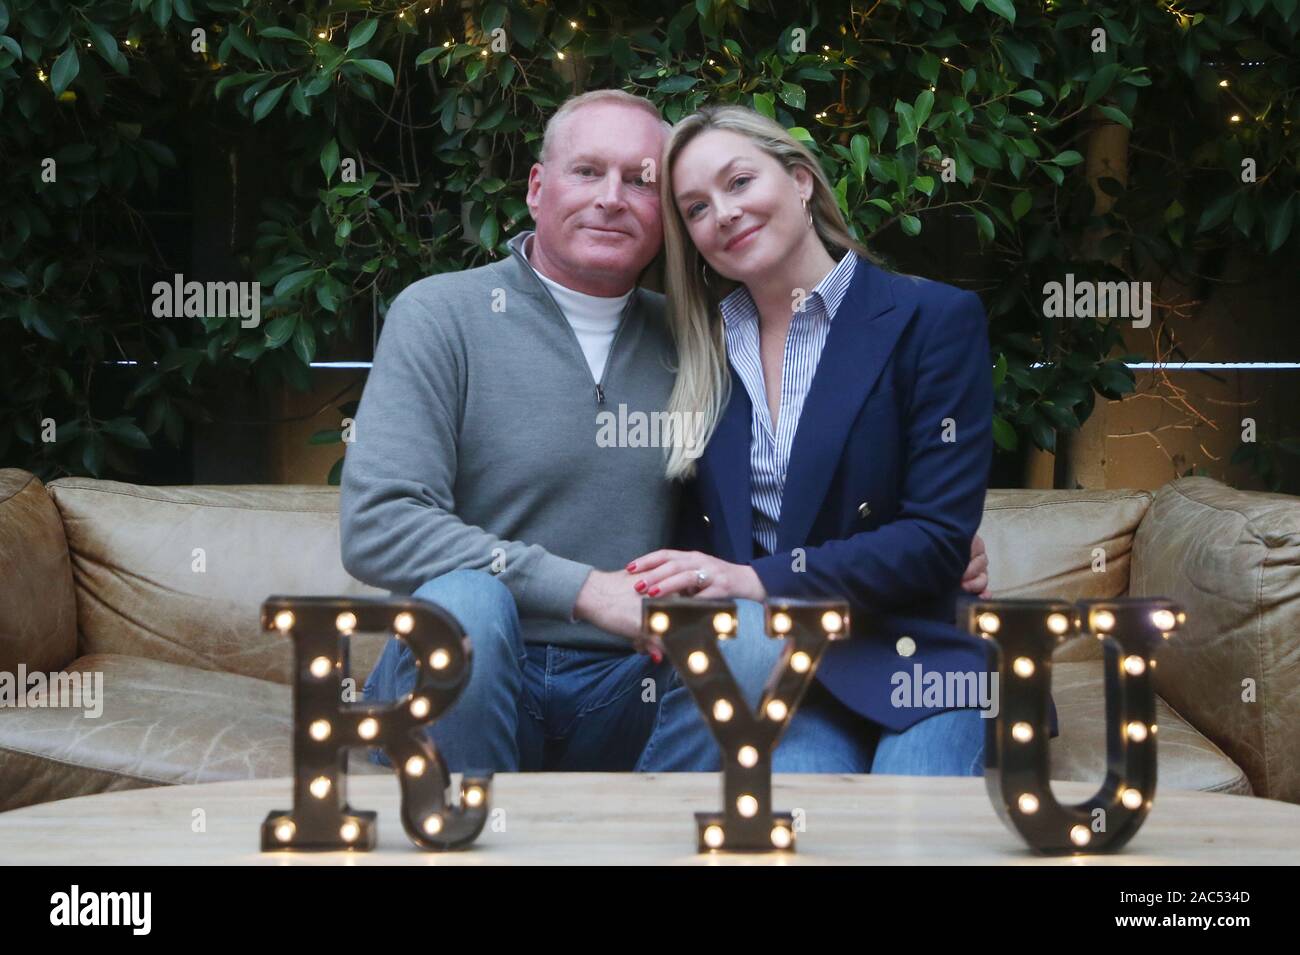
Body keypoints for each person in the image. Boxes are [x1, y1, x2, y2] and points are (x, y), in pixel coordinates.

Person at [340, 90, 991, 775]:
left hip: (636, 684)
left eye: (641, 182)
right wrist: (587, 588)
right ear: (536, 188)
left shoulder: (694, 336)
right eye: (586, 171)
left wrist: (937, 540)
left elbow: (753, 525)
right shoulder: (444, 315)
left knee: (737, 635)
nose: (611, 198)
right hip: (475, 670)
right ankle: (464, 833)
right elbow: (378, 522)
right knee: (466, 603)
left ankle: (662, 835)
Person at [628, 104, 1053, 775]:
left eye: (739, 182)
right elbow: (693, 533)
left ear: (800, 180)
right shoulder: (698, 347)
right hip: (785, 668)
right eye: (696, 208)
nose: (724, 213)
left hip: (919, 651)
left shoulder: (931, 319)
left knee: (907, 831)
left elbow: (937, 539)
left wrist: (751, 579)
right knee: (801, 823)